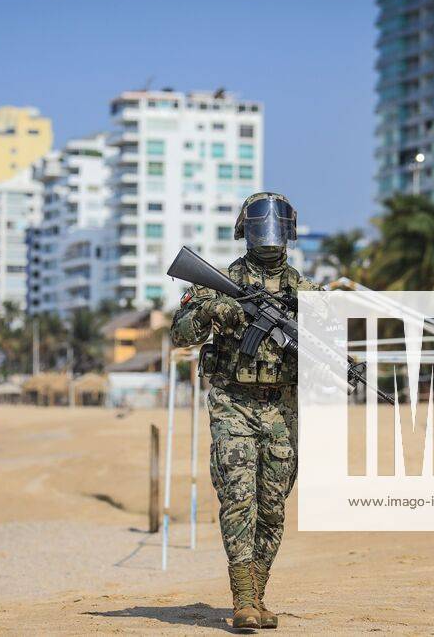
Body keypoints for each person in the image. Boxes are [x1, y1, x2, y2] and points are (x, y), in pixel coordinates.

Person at [171, 192, 319, 630]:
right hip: (232, 403)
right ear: (245, 230)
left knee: (272, 506)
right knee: (238, 499)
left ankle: (257, 592)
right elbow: (179, 333)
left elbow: (331, 345)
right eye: (259, 226)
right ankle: (244, 600)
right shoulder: (218, 280)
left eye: (274, 226)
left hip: (281, 410)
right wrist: (214, 310)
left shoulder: (304, 291)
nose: (267, 235)